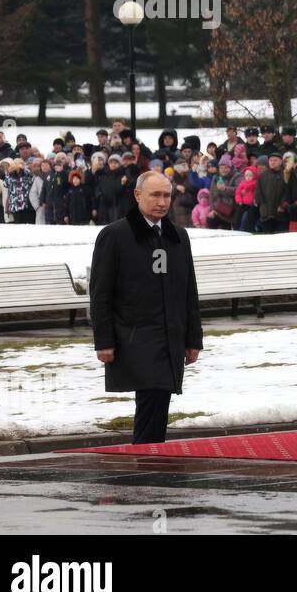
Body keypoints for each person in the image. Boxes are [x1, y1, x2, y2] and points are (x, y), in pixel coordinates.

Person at [89, 171, 203, 445]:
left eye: (166, 195)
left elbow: (189, 290)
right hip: (134, 333)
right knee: (154, 393)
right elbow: (101, 293)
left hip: (170, 333)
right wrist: (103, 341)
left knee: (158, 396)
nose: (162, 202)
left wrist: (193, 339)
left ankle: (149, 453)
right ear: (137, 195)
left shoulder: (178, 236)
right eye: (155, 195)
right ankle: (147, 454)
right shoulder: (115, 235)